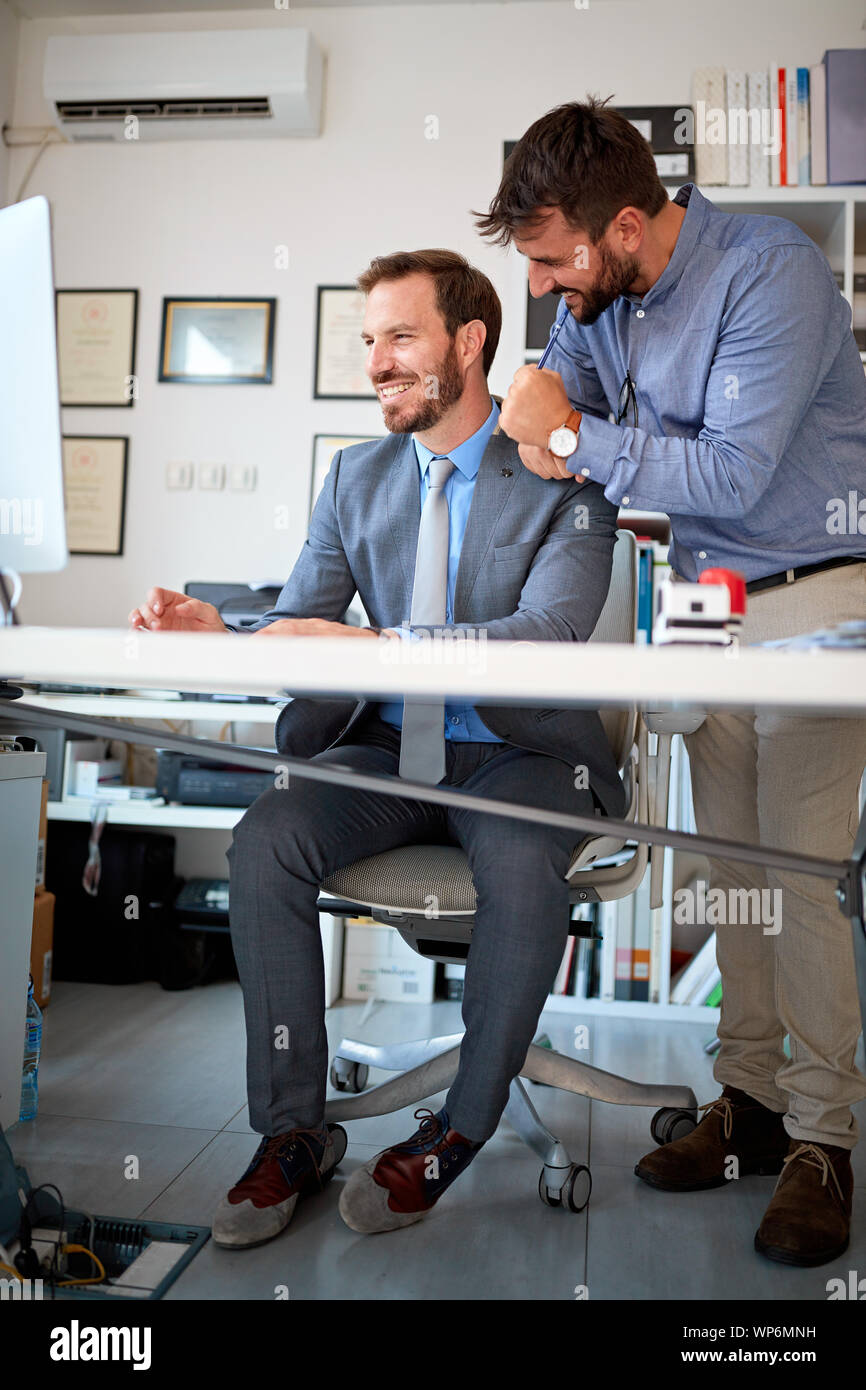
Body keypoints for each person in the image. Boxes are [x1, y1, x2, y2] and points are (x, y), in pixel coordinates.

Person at [130, 248, 623, 1246]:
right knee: (266, 837)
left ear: (467, 340)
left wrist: (379, 639)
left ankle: (455, 1130)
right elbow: (301, 619)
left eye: (399, 337)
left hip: (522, 755)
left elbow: (544, 637)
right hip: (390, 748)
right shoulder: (354, 476)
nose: (375, 363)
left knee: (525, 861)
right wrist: (216, 634)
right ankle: (295, 1133)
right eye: (367, 341)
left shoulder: (560, 475)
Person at [480, 95, 866, 1267]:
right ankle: (747, 1106)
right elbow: (549, 405)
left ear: (629, 225)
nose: (544, 288)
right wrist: (544, 425)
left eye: (553, 260)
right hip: (705, 608)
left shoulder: (769, 271)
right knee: (726, 872)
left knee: (798, 878)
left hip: (816, 591)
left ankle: (824, 1140)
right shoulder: (602, 302)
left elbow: (736, 475)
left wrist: (570, 438)